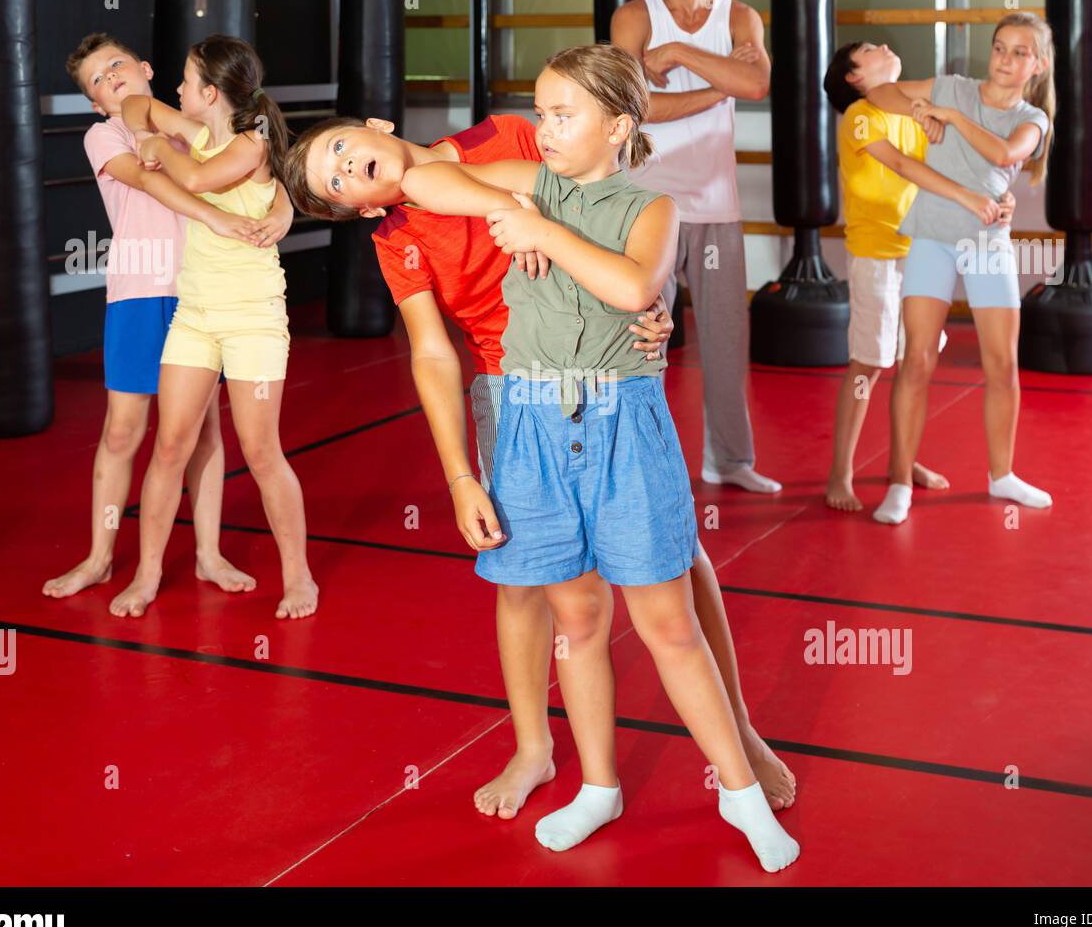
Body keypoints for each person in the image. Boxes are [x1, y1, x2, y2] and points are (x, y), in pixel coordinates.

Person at [283, 113, 797, 816]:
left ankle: (739, 728)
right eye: (334, 183)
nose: (345, 169)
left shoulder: (506, 139)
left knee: (676, 557)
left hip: (605, 369)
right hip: (511, 391)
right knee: (525, 577)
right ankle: (534, 747)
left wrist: (658, 303)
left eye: (340, 149)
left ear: (376, 125)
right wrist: (460, 476)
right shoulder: (398, 239)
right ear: (363, 207)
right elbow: (432, 353)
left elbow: (619, 212)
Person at [400, 44, 799, 872]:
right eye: (539, 112)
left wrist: (541, 230)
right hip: (531, 426)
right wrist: (497, 200)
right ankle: (599, 785)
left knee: (667, 623)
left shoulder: (652, 205)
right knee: (576, 624)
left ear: (617, 127)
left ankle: (739, 789)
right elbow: (423, 184)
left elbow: (631, 288)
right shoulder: (529, 181)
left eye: (562, 114)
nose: (543, 129)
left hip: (623, 425)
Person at [44, 33, 290, 600]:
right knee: (123, 430)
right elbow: (152, 178)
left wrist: (283, 208)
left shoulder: (198, 127)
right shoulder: (104, 134)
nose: (111, 79)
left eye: (117, 66)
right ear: (94, 102)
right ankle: (100, 556)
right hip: (137, 292)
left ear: (147, 68)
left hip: (199, 291)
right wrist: (215, 216)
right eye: (97, 81)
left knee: (202, 433)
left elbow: (263, 169)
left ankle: (207, 553)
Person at [111, 35, 318, 618]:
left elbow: (196, 182)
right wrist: (148, 127)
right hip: (196, 317)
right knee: (170, 444)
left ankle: (298, 577)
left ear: (208, 92)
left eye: (184, 80)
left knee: (260, 451)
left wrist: (155, 144)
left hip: (252, 320)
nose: (175, 90)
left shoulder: (251, 145)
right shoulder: (201, 135)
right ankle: (149, 574)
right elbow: (136, 106)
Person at [611, 0, 780, 494]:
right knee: (637, 343)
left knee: (727, 341)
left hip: (715, 206)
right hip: (644, 206)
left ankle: (729, 462)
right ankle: (631, 464)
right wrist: (718, 86)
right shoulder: (633, 17)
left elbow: (757, 84)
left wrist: (680, 55)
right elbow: (634, 107)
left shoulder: (739, 17)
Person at [865, 13, 1055, 526]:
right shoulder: (954, 86)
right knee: (917, 361)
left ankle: (1002, 476)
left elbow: (1001, 151)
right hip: (932, 237)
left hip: (987, 243)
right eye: (999, 47)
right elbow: (880, 95)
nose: (1005, 59)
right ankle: (900, 480)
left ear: (1037, 66)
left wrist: (946, 115)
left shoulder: (1033, 118)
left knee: (1002, 364)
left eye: (1019, 52)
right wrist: (917, 106)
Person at [822, 40, 1015, 512]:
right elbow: (904, 166)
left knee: (915, 363)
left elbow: (953, 165)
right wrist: (969, 200)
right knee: (869, 363)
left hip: (920, 248)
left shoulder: (913, 112)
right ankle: (840, 472)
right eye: (870, 49)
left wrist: (995, 198)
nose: (886, 44)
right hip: (876, 254)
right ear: (854, 76)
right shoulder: (861, 115)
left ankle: (901, 467)